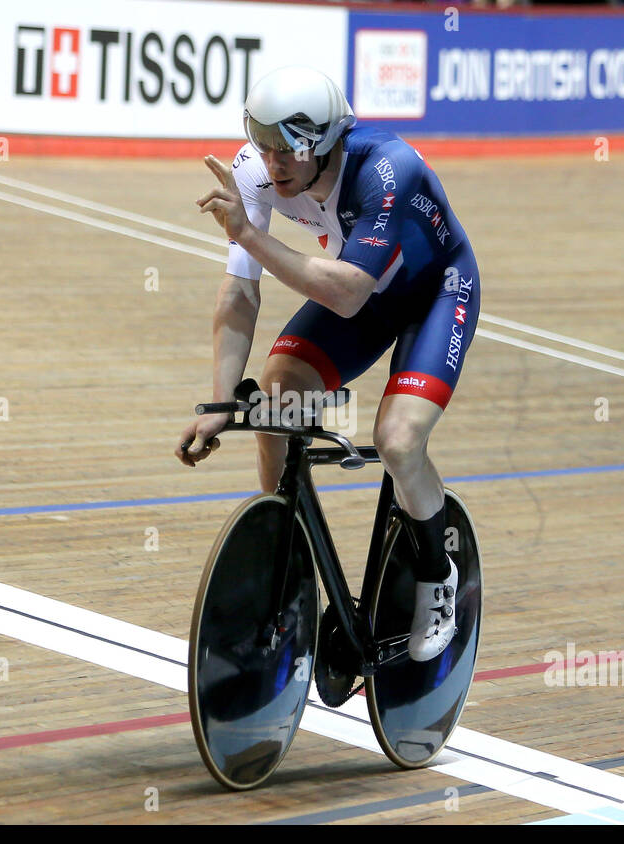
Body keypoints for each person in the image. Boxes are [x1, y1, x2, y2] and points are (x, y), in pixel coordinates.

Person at [175, 65, 479, 662]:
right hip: (358, 290)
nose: (273, 162)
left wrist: (249, 235)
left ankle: (437, 572)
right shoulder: (253, 174)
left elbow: (343, 294)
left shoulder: (389, 169)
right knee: (272, 406)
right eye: (262, 145)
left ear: (326, 140)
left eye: (288, 148)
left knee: (396, 440)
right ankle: (287, 570)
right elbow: (240, 290)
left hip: (434, 293)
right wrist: (218, 405)